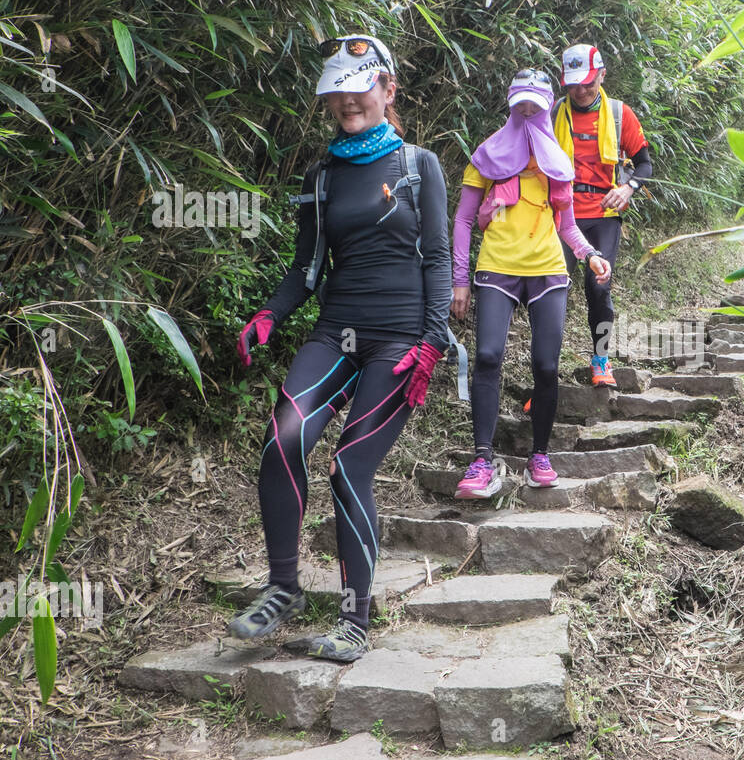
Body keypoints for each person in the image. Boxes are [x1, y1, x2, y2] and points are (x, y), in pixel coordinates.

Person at [228, 34, 451, 662]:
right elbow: (307, 268)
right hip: (336, 331)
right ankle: (283, 589)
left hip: (401, 340)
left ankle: (354, 622)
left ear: (387, 90)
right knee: (284, 438)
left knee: (349, 467)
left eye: (361, 90)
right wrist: (271, 313)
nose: (349, 102)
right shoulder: (321, 176)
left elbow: (437, 256)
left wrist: (432, 341)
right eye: (339, 94)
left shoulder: (418, 165)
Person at [450, 68, 611, 497]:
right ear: (510, 106)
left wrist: (590, 254)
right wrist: (459, 280)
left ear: (544, 110)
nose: (526, 113)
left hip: (547, 270)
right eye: (519, 105)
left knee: (546, 366)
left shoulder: (557, 161)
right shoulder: (487, 154)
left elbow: (568, 226)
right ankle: (482, 461)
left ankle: (539, 455)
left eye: (534, 107)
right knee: (486, 356)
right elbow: (464, 219)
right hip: (497, 267)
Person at [553, 43, 652, 386]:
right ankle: (547, 369)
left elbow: (645, 164)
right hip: (561, 214)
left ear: (602, 75)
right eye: (574, 85)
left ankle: (601, 359)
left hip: (603, 215)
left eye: (588, 84)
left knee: (599, 286)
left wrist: (628, 189)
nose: (581, 92)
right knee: (552, 287)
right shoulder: (551, 114)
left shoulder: (620, 114)